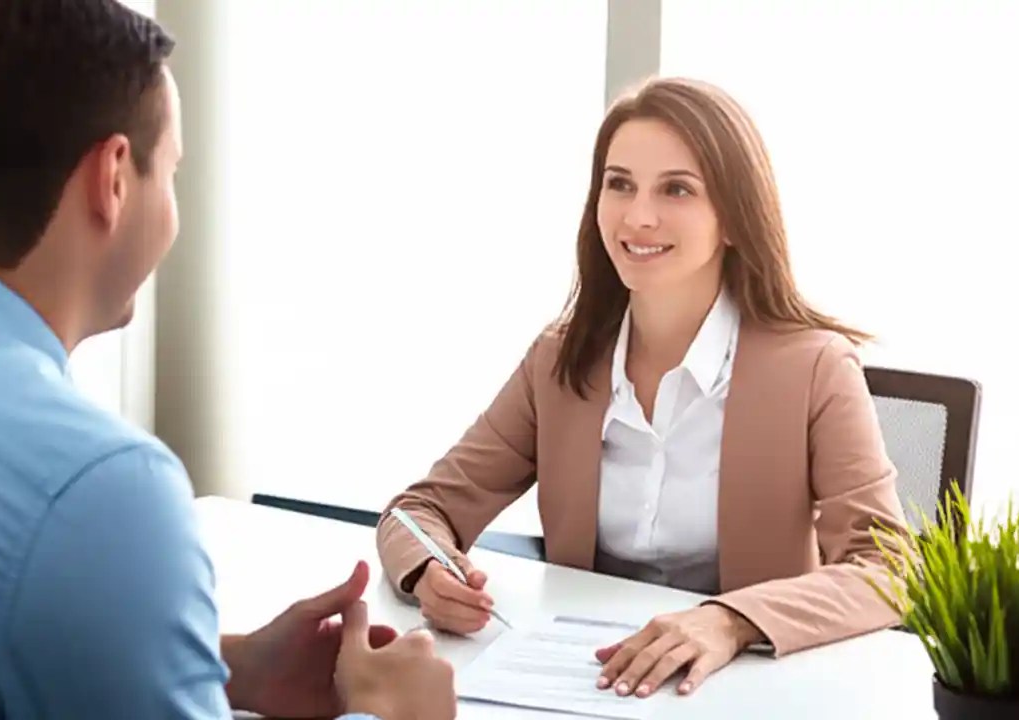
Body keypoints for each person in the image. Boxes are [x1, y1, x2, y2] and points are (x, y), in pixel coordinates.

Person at [0, 1, 455, 718]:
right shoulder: (96, 486)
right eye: (171, 171)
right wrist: (396, 712)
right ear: (113, 178)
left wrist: (224, 666)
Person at [376, 76, 909, 700]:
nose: (638, 216)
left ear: (735, 217)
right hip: (586, 682)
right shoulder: (560, 361)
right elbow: (417, 511)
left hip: (749, 691)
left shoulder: (815, 367)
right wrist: (429, 570)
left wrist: (730, 620)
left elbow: (888, 570)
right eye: (620, 184)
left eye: (677, 189)